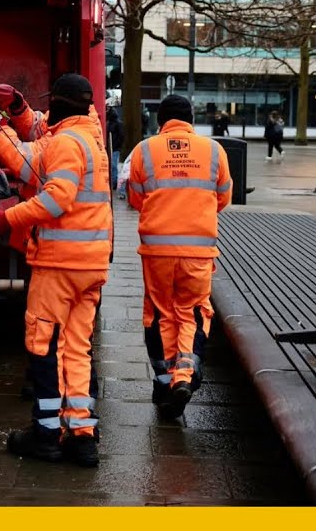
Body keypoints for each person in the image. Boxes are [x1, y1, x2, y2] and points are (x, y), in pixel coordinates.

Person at [0, 74, 113, 468]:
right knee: (76, 347)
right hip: (88, 263)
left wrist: (6, 219)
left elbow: (55, 199)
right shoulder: (86, 137)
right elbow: (26, 161)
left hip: (60, 263)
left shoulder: (68, 142)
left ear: (59, 102)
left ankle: (46, 433)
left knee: (43, 345)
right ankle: (82, 436)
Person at [126, 94, 231, 421]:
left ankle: (164, 382)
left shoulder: (144, 150)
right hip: (198, 251)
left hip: (157, 250)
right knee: (191, 312)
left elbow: (134, 198)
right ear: (190, 120)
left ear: (161, 121)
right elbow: (223, 197)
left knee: (160, 314)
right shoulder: (214, 150)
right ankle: (184, 377)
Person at [106, 104, 123, 193]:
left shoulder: (113, 123)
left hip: (114, 147)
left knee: (113, 165)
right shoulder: (111, 123)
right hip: (113, 147)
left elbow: (120, 136)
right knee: (113, 165)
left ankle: (114, 183)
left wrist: (116, 145)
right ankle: (113, 182)